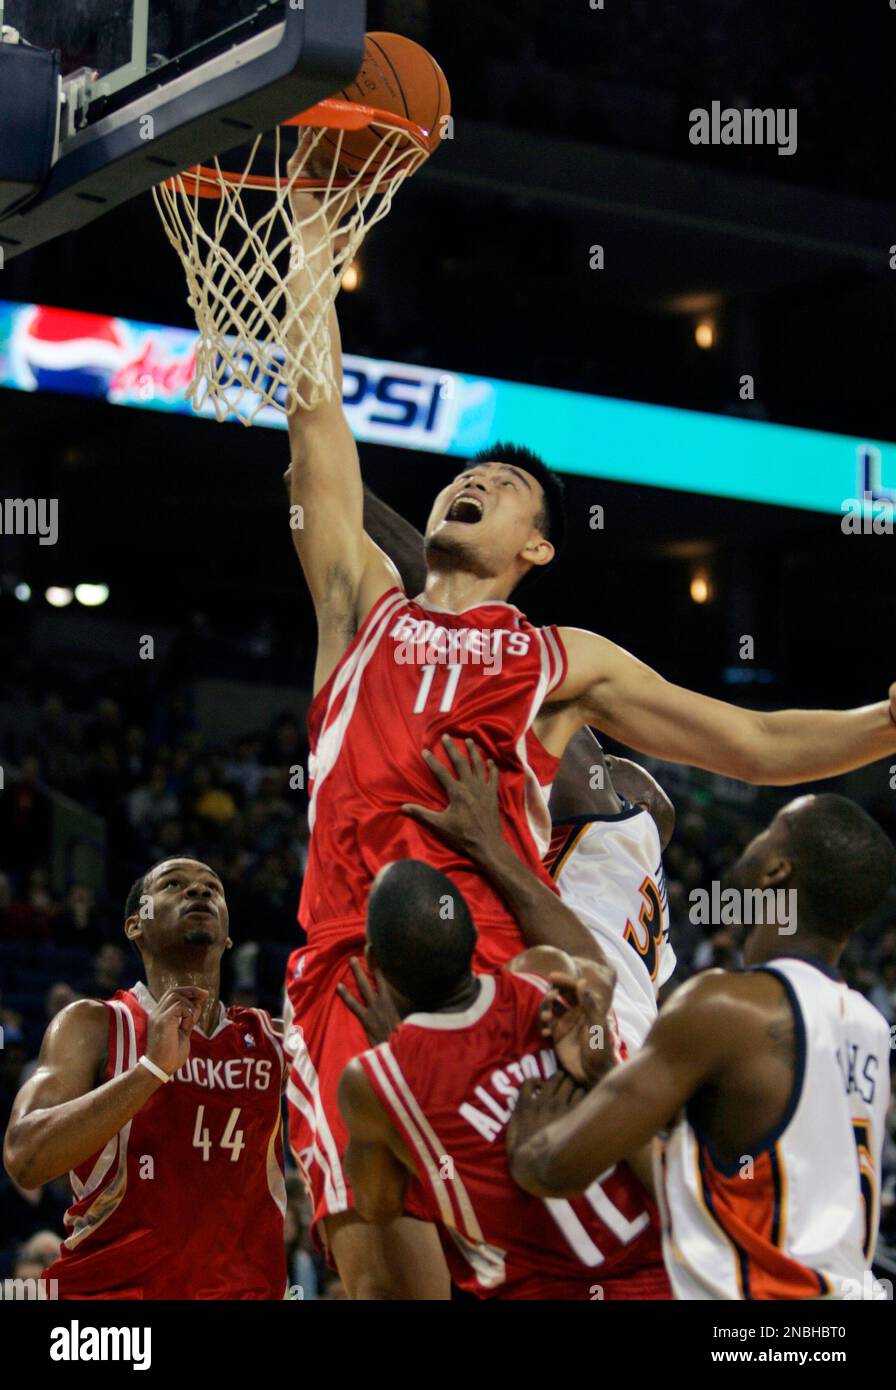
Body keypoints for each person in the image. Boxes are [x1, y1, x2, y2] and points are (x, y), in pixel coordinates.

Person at [280, 168, 896, 1295]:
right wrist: (315, 227)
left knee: (541, 1265)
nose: (471, 481)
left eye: (501, 485)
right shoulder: (358, 604)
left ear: (536, 551)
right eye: (465, 474)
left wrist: (884, 720)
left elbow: (751, 748)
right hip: (342, 968)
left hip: (499, 979)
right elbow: (315, 409)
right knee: (379, 1275)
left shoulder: (563, 657)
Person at [506, 795, 895, 1300]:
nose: (751, 844)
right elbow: (715, 1192)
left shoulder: (724, 1006)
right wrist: (607, 1074)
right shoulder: (866, 1026)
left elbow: (555, 1167)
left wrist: (525, 1145)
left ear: (777, 869)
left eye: (768, 833)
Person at [338, 851, 670, 1300]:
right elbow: (596, 966)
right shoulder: (547, 979)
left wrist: (394, 1068)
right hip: (667, 1271)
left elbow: (377, 1204)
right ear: (475, 936)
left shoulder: (375, 1080)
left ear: (374, 964)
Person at [3, 857, 287, 1299]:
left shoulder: (271, 1039)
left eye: (213, 889)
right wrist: (150, 1071)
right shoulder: (93, 1024)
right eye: (174, 885)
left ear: (228, 935)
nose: (199, 893)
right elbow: (25, 1158)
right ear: (136, 925)